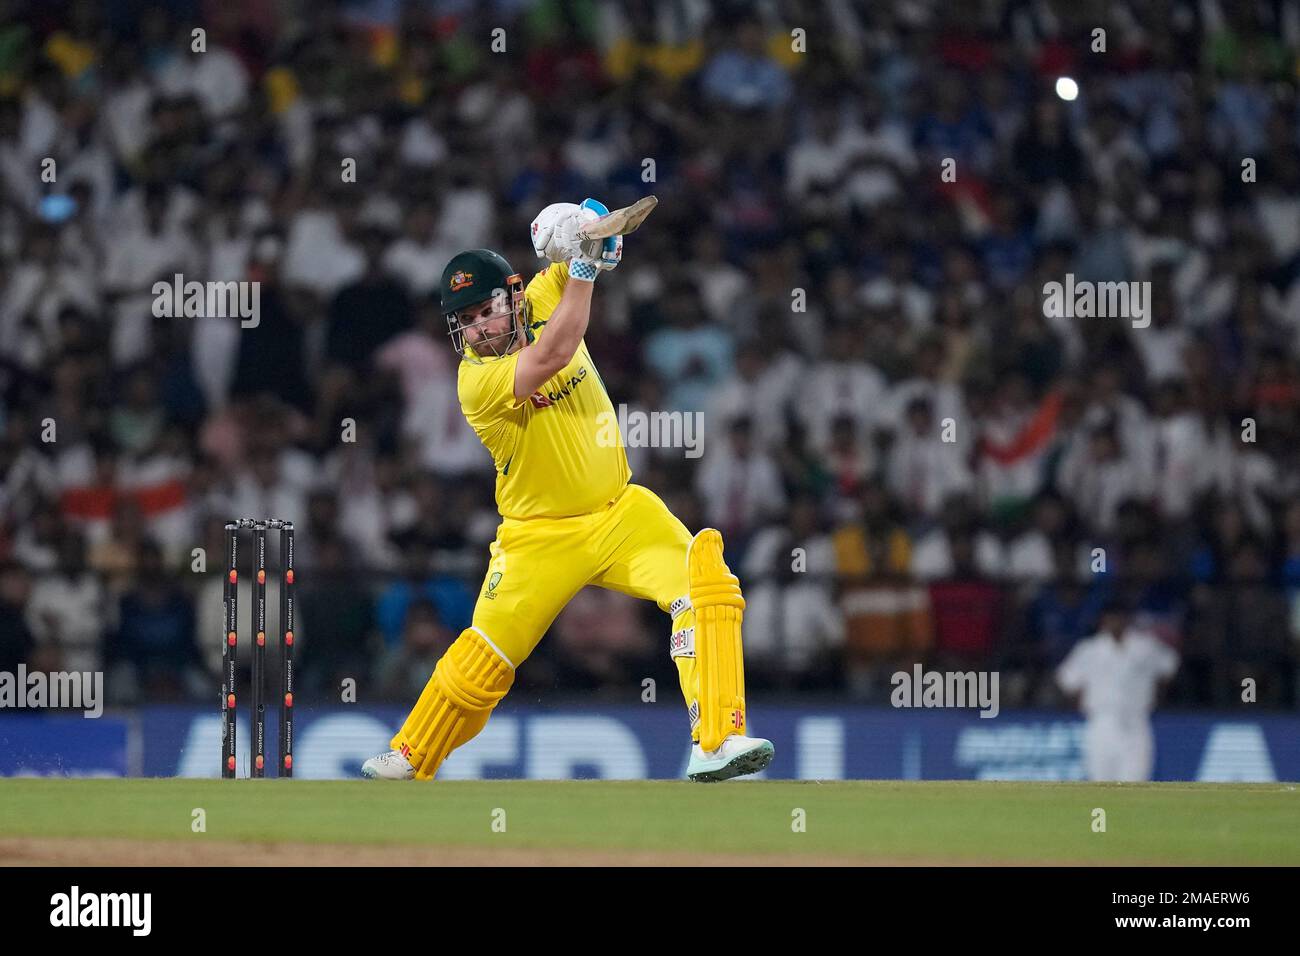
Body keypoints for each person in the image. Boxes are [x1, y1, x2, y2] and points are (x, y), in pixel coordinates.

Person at [362, 198, 774, 782]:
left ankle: (716, 741)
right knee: (485, 662)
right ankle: (410, 756)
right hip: (538, 536)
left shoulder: (541, 294)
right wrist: (584, 268)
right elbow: (555, 351)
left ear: (512, 295)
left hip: (621, 511)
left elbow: (589, 247)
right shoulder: (476, 382)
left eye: (486, 311)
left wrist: (595, 229)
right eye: (466, 320)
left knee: (707, 585)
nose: (479, 329)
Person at [1056, 601, 1179, 781]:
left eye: (1119, 618)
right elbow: (1067, 680)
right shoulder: (1090, 649)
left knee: (1135, 782)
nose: (1115, 623)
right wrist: (1083, 704)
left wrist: (1157, 695)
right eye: (1110, 619)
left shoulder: (1145, 646)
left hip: (1136, 721)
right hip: (1101, 721)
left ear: (1126, 619)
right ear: (1102, 621)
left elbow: (1169, 666)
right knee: (1100, 782)